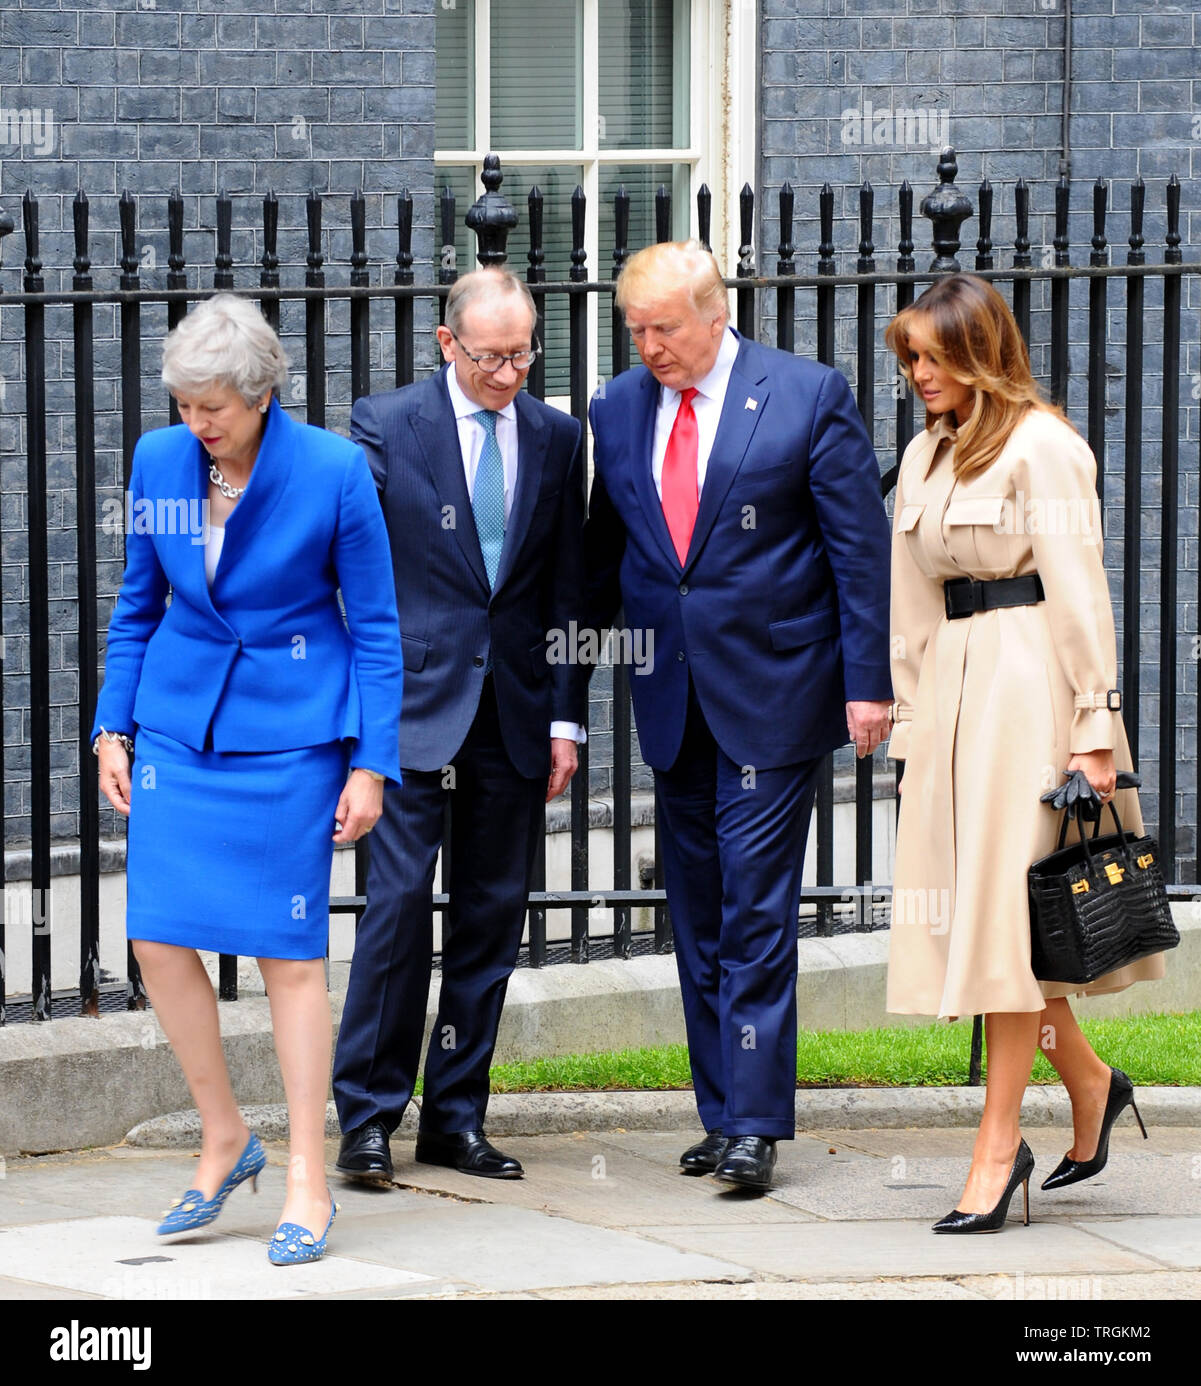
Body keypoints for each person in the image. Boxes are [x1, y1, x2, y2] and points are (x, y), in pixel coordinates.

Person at [93, 294, 404, 1265]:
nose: (198, 425)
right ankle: (223, 1133)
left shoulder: (335, 473)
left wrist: (371, 762)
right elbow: (137, 605)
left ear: (263, 394)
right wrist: (111, 723)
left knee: (290, 954)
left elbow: (380, 629)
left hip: (291, 738)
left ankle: (308, 1175)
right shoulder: (159, 462)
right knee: (153, 937)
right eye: (186, 405)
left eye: (215, 408)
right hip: (180, 731)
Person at [584, 240, 893, 1192]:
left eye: (662, 329)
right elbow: (610, 555)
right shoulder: (619, 406)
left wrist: (867, 682)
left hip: (774, 694)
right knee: (698, 913)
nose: (648, 348)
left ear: (715, 314)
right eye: (634, 330)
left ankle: (758, 1123)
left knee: (756, 907)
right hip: (671, 699)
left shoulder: (805, 395)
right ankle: (721, 1114)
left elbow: (858, 551)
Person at [884, 272, 1164, 1234]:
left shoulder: (1044, 445)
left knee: (1007, 930)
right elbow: (910, 603)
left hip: (1029, 690)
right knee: (993, 929)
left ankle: (996, 1152)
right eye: (908, 356)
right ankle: (1088, 1082)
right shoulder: (926, 454)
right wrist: (913, 724)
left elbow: (1080, 592)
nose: (916, 373)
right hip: (958, 694)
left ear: (977, 351)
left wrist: (1094, 731)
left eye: (931, 355)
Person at [332, 268, 585, 1184]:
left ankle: (456, 1117)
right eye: (489, 357)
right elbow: (351, 573)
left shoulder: (559, 439)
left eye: (522, 355)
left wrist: (565, 716)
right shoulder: (387, 424)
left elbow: (566, 586)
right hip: (408, 715)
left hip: (513, 717)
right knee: (395, 915)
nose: (508, 374)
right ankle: (366, 1117)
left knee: (489, 921)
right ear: (448, 344)